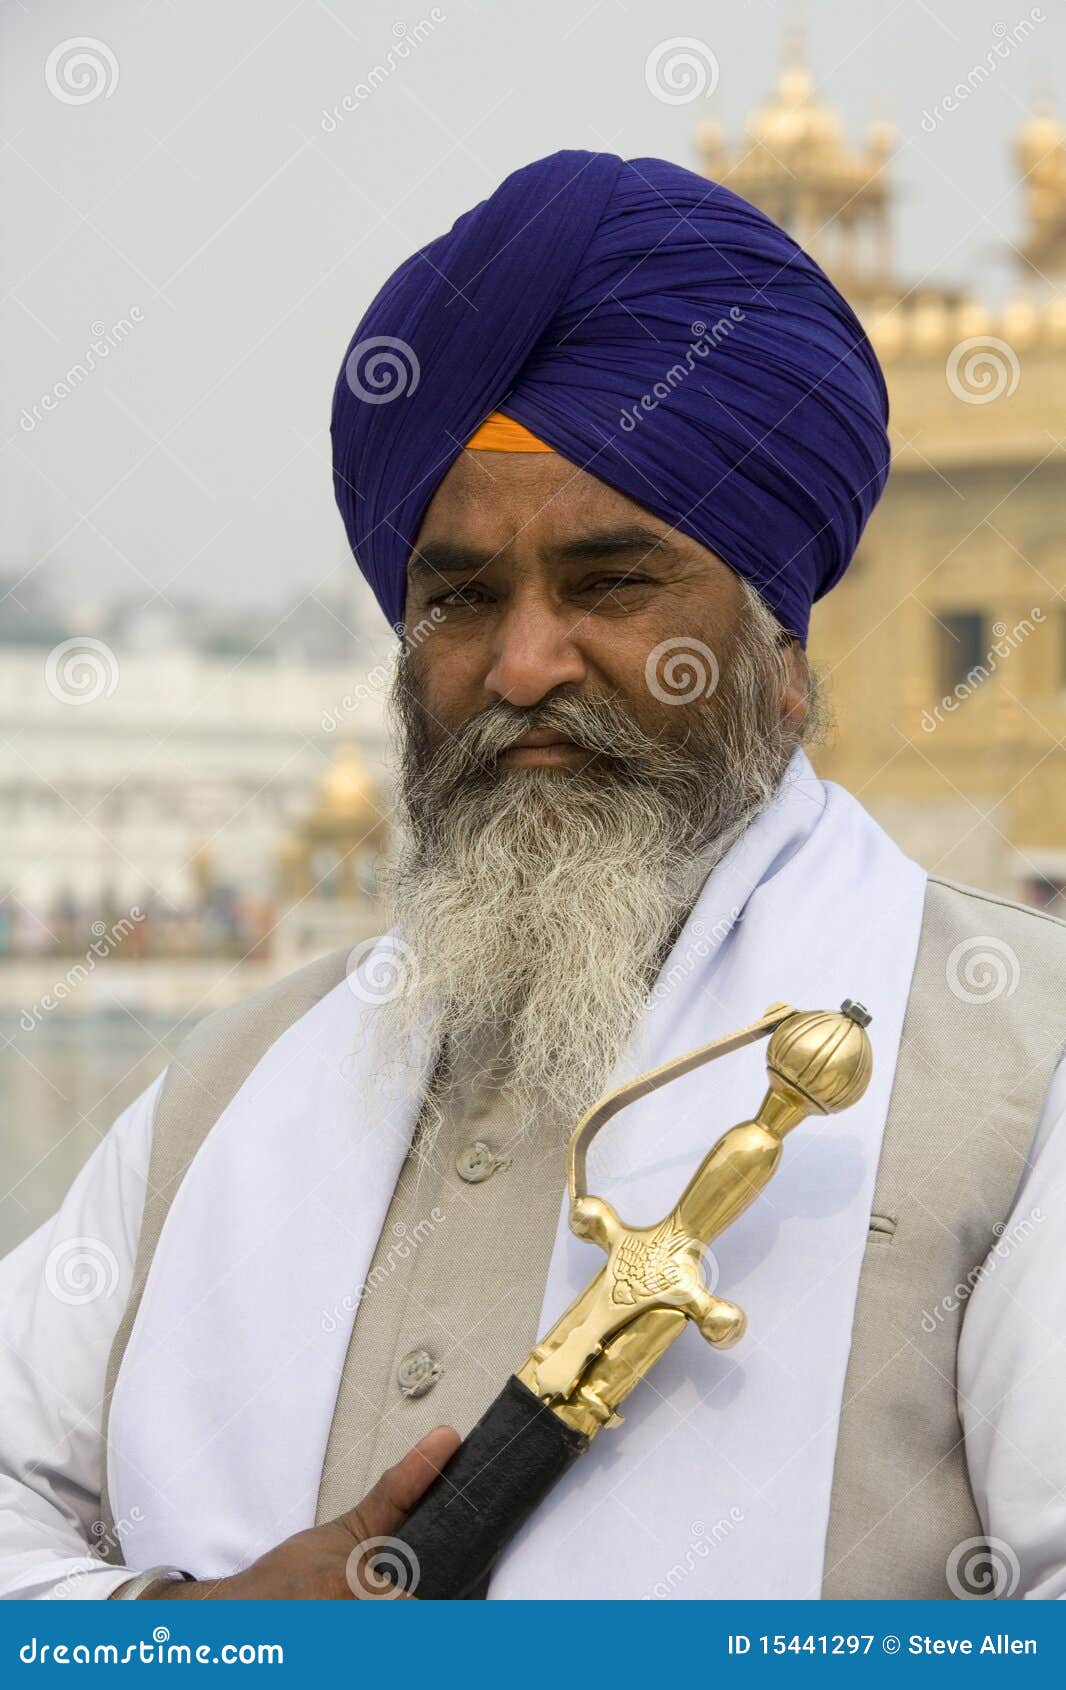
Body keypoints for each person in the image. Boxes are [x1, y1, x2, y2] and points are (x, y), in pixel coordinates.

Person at [1, 150, 1063, 1603]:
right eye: (460, 598)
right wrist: (194, 1629)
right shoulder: (233, 1086)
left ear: (784, 654)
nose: (521, 666)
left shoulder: (1021, 1068)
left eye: (611, 586)